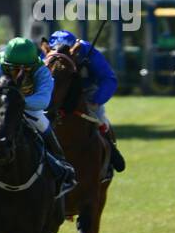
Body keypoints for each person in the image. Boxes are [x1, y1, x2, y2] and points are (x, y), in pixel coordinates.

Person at [0, 36, 76, 197]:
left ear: (33, 64)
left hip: (29, 106)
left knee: (43, 124)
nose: (20, 71)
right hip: (1, 106)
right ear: (6, 63)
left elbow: (43, 99)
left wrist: (17, 102)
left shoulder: (41, 70)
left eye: (26, 68)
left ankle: (61, 166)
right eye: (14, 67)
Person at [45, 30, 125, 173]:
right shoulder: (47, 56)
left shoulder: (88, 51)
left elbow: (109, 79)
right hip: (54, 93)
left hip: (86, 93)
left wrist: (96, 100)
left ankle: (110, 153)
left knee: (99, 118)